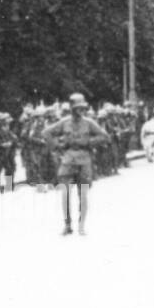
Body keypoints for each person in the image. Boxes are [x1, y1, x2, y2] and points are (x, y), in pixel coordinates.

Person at [42, 92, 109, 236]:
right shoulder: (64, 122)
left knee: (83, 194)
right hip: (67, 161)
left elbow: (104, 136)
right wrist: (57, 146)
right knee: (65, 194)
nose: (81, 110)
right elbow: (46, 133)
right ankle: (67, 225)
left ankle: (81, 225)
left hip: (84, 161)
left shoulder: (89, 123)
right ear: (72, 108)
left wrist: (89, 142)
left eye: (83, 108)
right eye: (78, 108)